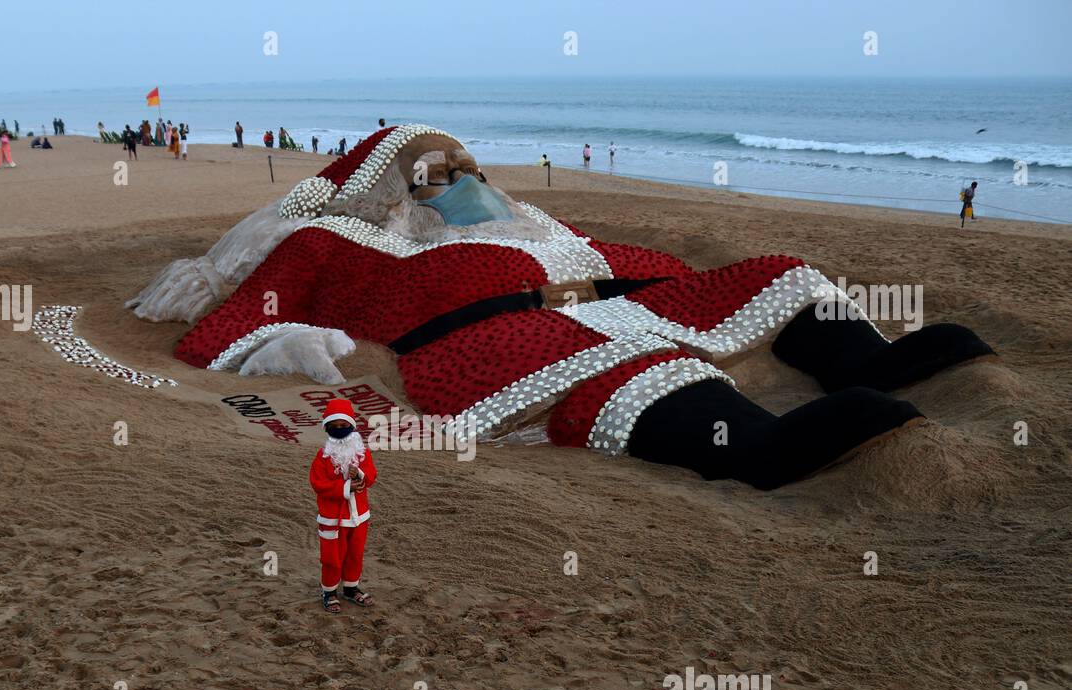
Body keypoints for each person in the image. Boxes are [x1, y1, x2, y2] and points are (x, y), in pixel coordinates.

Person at [145, 124, 996, 491]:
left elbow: (615, 256)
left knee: (774, 271)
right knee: (619, 364)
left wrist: (655, 280)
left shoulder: (533, 214)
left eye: (465, 165)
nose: (461, 179)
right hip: (495, 329)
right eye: (435, 171)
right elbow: (239, 312)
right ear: (393, 183)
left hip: (628, 290)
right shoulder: (353, 239)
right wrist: (289, 332)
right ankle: (754, 449)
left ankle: (863, 359)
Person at [310, 399, 377, 612]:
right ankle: (329, 591)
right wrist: (346, 487)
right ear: (327, 428)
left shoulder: (362, 452)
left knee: (355, 554)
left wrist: (361, 475)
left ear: (352, 426)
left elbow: (372, 476)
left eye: (344, 425)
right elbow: (318, 484)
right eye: (334, 426)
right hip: (333, 517)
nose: (340, 430)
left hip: (359, 516)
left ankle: (350, 588)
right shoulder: (322, 457)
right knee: (332, 557)